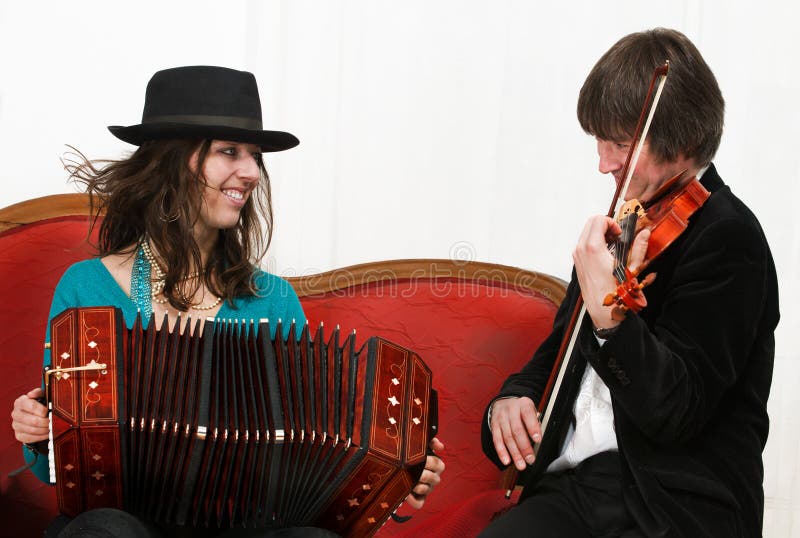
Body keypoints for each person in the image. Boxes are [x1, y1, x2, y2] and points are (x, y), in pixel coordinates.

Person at [11, 65, 444, 537]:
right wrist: (38, 431)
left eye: (255, 156)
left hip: (241, 527)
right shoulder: (86, 288)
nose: (252, 172)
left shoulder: (273, 300)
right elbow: (53, 469)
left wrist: (396, 480)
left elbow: (313, 452)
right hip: (125, 520)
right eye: (229, 152)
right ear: (172, 161)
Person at [480, 28, 778, 538]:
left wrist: (610, 317)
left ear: (682, 141)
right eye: (600, 142)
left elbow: (673, 412)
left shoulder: (731, 241)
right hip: (576, 492)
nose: (604, 163)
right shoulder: (622, 226)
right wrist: (509, 402)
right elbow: (552, 361)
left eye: (620, 143)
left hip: (670, 503)